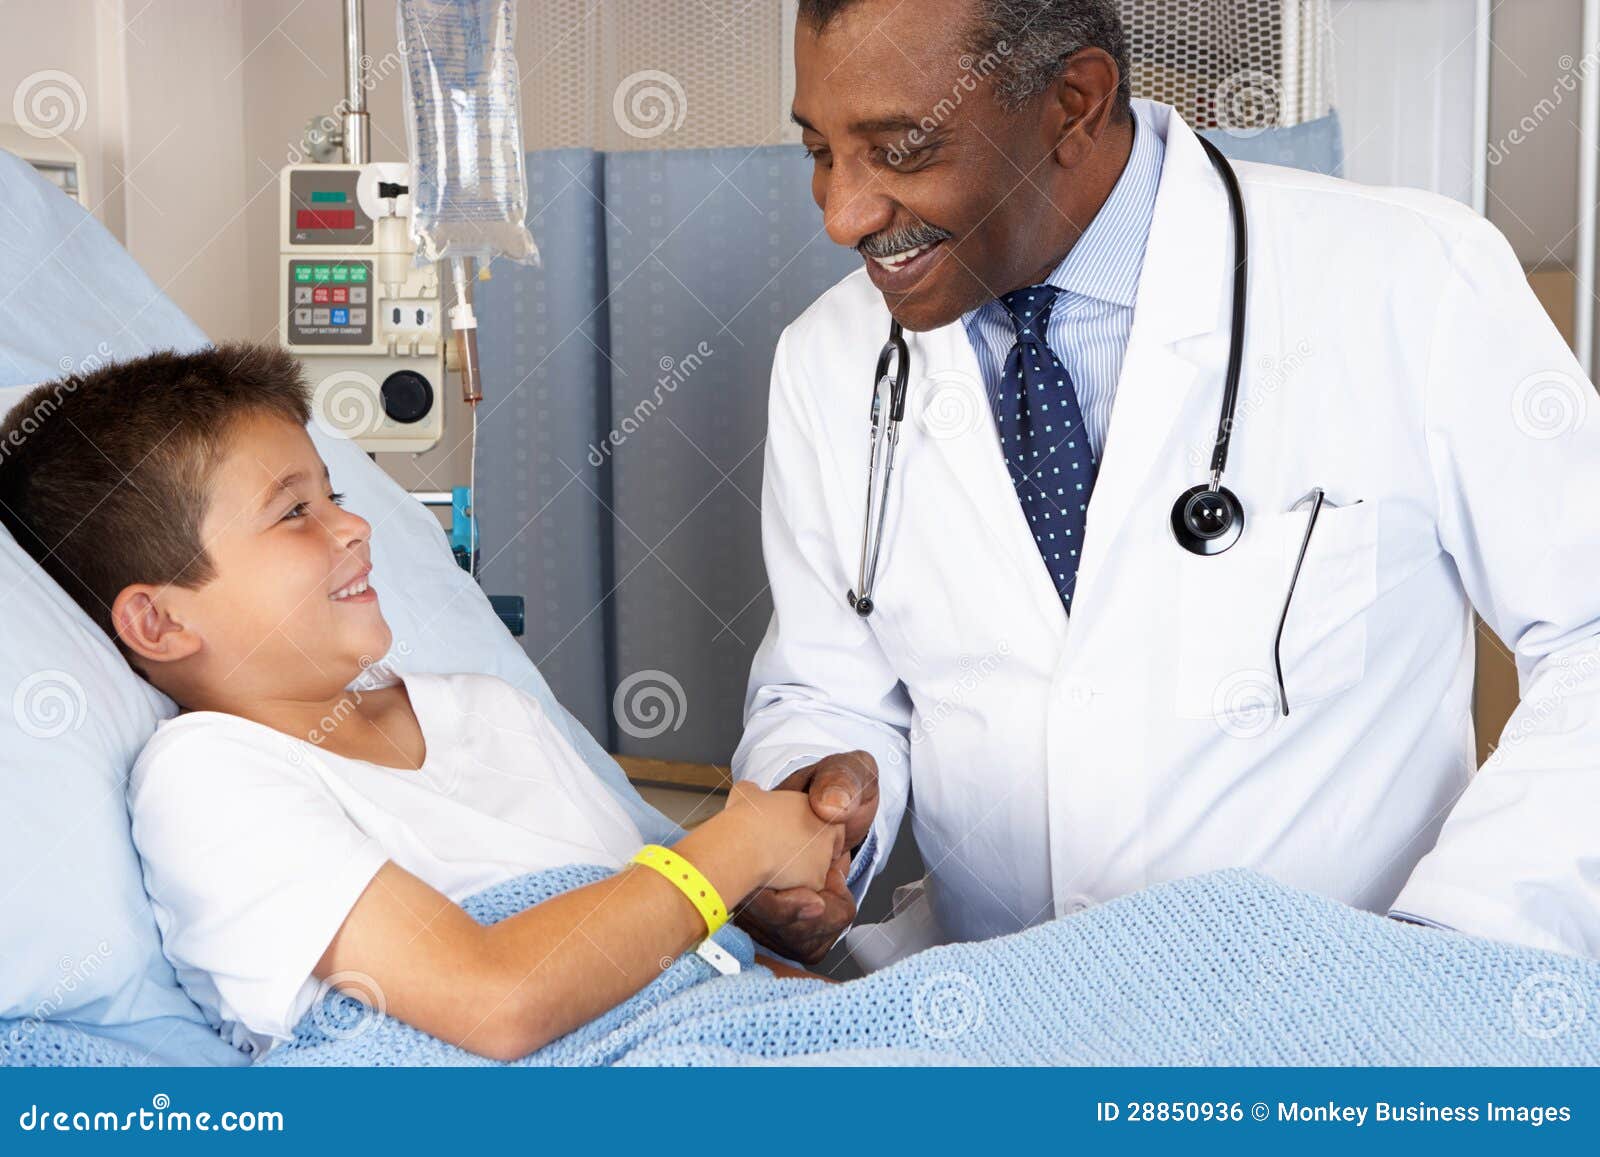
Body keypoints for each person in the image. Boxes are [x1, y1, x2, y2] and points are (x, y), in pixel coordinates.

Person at [732, 0, 1600, 965]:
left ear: (1075, 103)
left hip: (1333, 1025)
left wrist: (1462, 941)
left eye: (898, 151)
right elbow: (830, 684)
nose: (843, 215)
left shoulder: (1411, 280)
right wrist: (822, 793)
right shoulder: (829, 359)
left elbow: (1588, 634)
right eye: (818, 151)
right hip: (988, 1016)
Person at [0, 344, 842, 1061]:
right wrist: (739, 843)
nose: (354, 528)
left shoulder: (488, 709)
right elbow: (495, 1002)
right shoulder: (209, 774)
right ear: (158, 619)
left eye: (336, 495)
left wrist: (770, 913)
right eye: (294, 512)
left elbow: (656, 925)